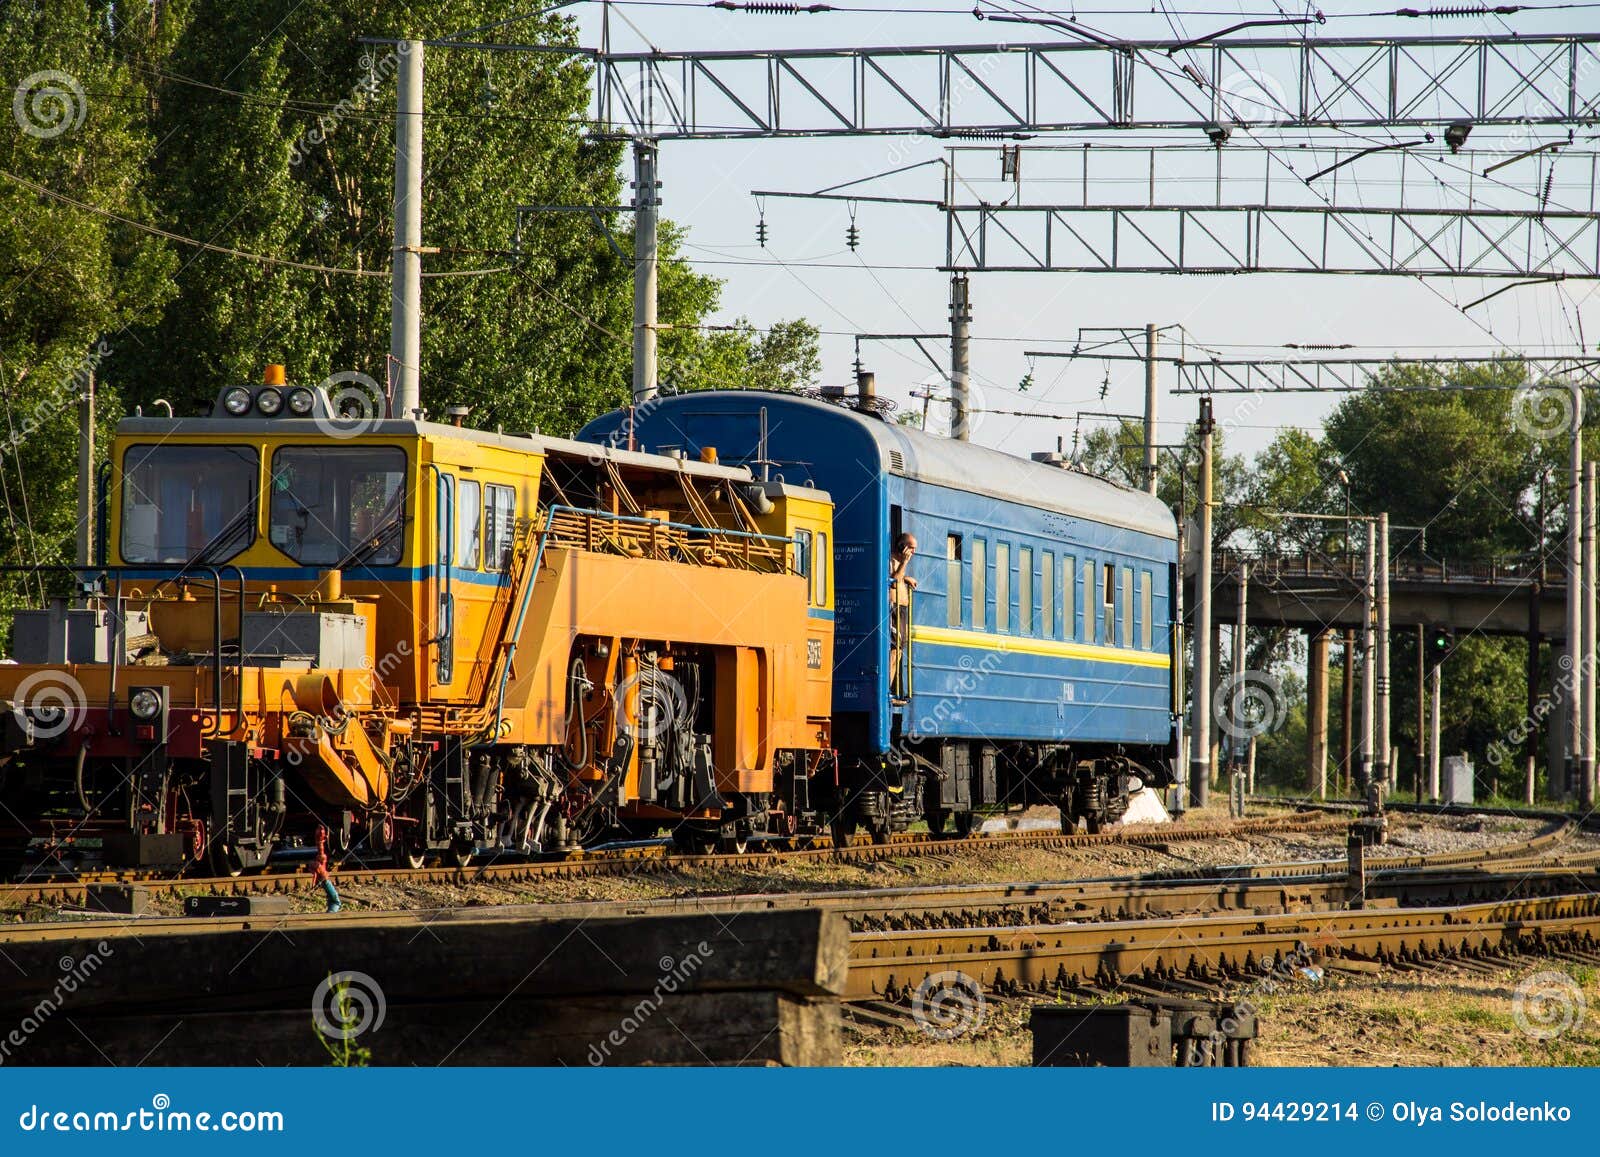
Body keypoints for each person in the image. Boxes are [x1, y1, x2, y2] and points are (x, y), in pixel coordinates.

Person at [889, 534, 917, 695]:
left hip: (902, 611)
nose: (913, 552)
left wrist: (905, 578)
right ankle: (887, 689)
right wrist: (904, 564)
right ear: (902, 546)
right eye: (911, 548)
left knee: (898, 652)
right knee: (893, 652)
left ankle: (889, 687)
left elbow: (898, 578)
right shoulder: (892, 560)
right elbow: (893, 582)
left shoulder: (898, 564)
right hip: (894, 609)